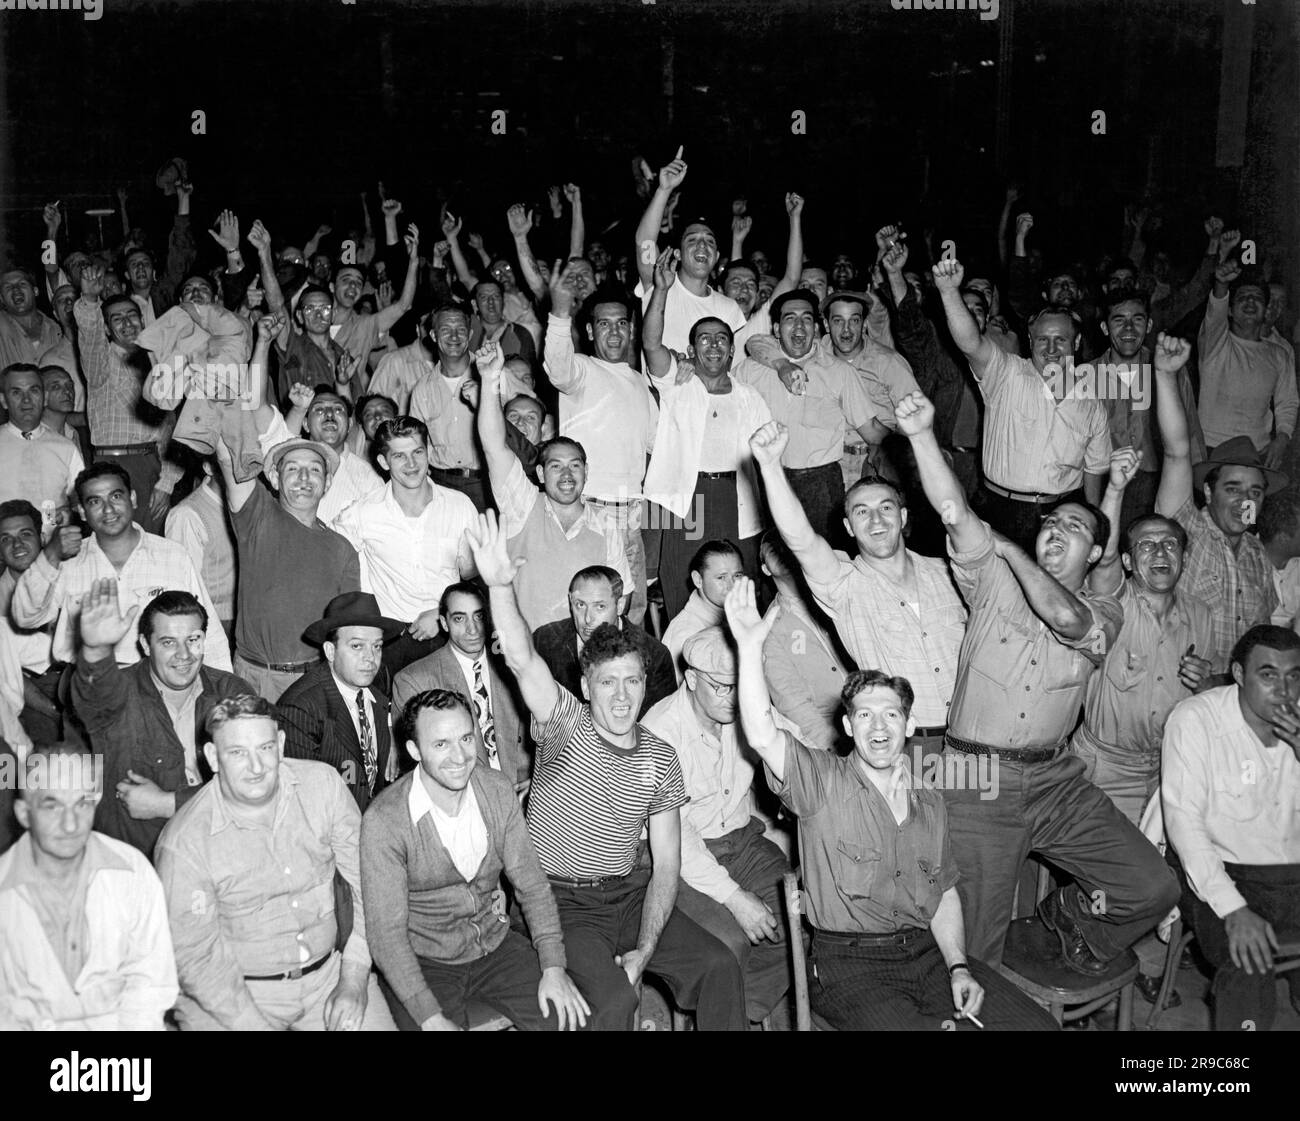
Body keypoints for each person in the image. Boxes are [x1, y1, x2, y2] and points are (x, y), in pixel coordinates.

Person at [898, 388, 1179, 969]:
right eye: (1049, 522)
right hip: (976, 778)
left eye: (1072, 527)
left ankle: (1067, 922)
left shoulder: (1106, 612)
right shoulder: (992, 581)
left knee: (1153, 887)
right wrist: (923, 434)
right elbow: (953, 511)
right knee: (975, 954)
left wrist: (1007, 544)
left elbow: (1067, 618)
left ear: (1098, 552)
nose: (1053, 529)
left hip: (1056, 780)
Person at [725, 577, 1058, 1030]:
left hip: (927, 956)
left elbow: (941, 895)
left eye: (890, 714)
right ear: (847, 725)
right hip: (850, 969)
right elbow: (762, 734)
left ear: (909, 724)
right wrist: (748, 649)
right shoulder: (821, 782)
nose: (878, 727)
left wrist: (959, 966)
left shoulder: (931, 801)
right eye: (864, 715)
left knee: (1039, 1028)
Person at [468, 509, 746, 1031]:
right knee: (614, 1005)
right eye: (607, 683)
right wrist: (499, 586)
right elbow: (524, 659)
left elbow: (666, 864)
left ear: (647, 682)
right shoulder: (563, 723)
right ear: (586, 683)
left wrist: (645, 949)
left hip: (628, 894)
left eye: (632, 682)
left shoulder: (660, 756)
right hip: (562, 901)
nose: (621, 696)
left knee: (718, 966)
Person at [155, 694, 396, 1031]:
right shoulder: (185, 842)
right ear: (212, 756)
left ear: (281, 744)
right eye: (238, 753)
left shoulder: (323, 786)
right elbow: (195, 958)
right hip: (234, 995)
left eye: (265, 748)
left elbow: (369, 886)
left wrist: (354, 978)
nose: (256, 767)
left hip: (329, 976)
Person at [361, 688, 589, 1030]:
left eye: (466, 738)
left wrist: (553, 966)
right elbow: (386, 936)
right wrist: (429, 1016)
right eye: (441, 744)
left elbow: (533, 886)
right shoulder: (385, 820)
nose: (460, 756)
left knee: (574, 1020)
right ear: (413, 750)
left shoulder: (495, 790)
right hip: (424, 960)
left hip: (496, 947)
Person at [755, 420, 965, 769]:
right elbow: (801, 540)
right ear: (849, 527)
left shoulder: (946, 573)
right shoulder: (844, 585)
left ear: (903, 516)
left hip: (973, 739)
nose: (875, 520)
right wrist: (770, 467)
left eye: (885, 507)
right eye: (861, 512)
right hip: (909, 749)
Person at [643, 626, 793, 1024]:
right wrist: (735, 897)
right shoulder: (659, 732)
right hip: (679, 858)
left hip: (742, 840)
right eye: (720, 686)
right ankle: (721, 1014)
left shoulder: (742, 705)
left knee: (801, 917)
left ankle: (735, 1017)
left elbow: (793, 749)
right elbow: (677, 840)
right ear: (691, 679)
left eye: (738, 685)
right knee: (728, 946)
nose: (732, 697)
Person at [212, 324, 362, 700]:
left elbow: (345, 630)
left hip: (313, 682)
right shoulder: (256, 513)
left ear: (327, 484)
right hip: (252, 676)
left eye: (315, 470)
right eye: (292, 469)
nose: (304, 478)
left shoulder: (343, 550)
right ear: (275, 479)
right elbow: (230, 450)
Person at [1163, 625, 1300, 1031]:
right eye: (1268, 674)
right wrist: (1234, 908)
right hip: (1222, 875)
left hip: (1291, 875)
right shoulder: (1196, 719)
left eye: (1294, 675)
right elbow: (1185, 825)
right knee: (1248, 962)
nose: (1284, 689)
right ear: (1238, 674)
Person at [1073, 447, 1214, 825]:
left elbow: (1214, 688)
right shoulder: (1114, 603)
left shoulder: (1201, 614)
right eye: (1146, 546)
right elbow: (1100, 559)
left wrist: (1207, 680)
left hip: (1169, 766)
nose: (1160, 552)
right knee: (1105, 875)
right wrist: (1116, 489)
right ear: (1128, 561)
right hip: (1105, 768)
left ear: (1183, 557)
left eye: (1170, 544)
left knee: (1160, 870)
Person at [935, 256, 1111, 551]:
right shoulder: (1006, 373)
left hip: (1060, 516)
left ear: (1076, 344)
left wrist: (1093, 527)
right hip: (1000, 512)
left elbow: (1094, 474)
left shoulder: (1092, 404)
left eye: (1061, 340)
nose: (1051, 349)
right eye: (1042, 340)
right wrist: (949, 292)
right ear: (1030, 342)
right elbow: (969, 342)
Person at [0, 742, 178, 1030]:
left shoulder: (133, 874)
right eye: (52, 804)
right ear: (23, 813)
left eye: (82, 803)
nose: (70, 824)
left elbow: (150, 987)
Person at [71, 583, 254, 856]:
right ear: (145, 645)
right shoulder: (118, 692)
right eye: (168, 642)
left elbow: (255, 784)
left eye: (193, 639)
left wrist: (168, 803)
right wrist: (96, 652)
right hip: (141, 856)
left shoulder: (232, 692)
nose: (184, 655)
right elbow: (93, 696)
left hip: (220, 848)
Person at [641, 248, 772, 618]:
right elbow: (651, 343)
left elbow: (767, 461)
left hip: (737, 496)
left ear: (732, 350)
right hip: (687, 498)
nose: (713, 345)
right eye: (704, 339)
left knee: (740, 592)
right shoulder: (677, 385)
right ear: (690, 350)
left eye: (721, 340)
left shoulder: (750, 397)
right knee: (682, 590)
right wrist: (662, 290)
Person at [12, 462, 230, 672]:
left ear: (133, 498)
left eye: (116, 496)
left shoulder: (173, 556)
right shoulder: (67, 561)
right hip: (89, 681)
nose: (108, 509)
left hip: (156, 681)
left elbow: (207, 633)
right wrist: (49, 556)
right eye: (95, 502)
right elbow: (27, 617)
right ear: (81, 510)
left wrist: (224, 692)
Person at [1152, 333, 1285, 673]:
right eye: (1233, 489)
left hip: (1231, 697)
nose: (1245, 500)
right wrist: (1166, 376)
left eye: (1255, 492)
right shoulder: (1184, 531)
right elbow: (1176, 450)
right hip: (1179, 691)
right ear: (1209, 493)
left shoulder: (1259, 557)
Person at [476, 340, 630, 629]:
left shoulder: (606, 524)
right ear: (542, 474)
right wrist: (489, 380)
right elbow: (494, 447)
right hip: (530, 652)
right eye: (556, 466)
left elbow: (622, 598)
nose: (567, 474)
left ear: (587, 472)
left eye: (575, 465)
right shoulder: (522, 504)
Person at [544, 266, 658, 625]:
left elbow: (660, 448)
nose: (614, 331)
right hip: (587, 508)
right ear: (590, 331)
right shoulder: (580, 369)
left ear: (631, 329)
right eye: (604, 324)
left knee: (631, 609)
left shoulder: (641, 384)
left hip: (631, 514)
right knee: (581, 610)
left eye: (621, 323)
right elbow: (558, 367)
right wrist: (561, 313)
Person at [734, 288, 890, 542]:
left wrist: (913, 435)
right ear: (775, 329)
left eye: (807, 318)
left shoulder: (840, 373)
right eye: (789, 318)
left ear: (816, 328)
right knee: (774, 560)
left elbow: (871, 429)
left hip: (821, 484)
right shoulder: (750, 371)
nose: (799, 326)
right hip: (766, 480)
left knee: (826, 561)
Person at [332, 415, 478, 677]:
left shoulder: (460, 506)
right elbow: (330, 561)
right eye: (399, 456)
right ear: (383, 461)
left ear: (429, 452)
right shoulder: (363, 512)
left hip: (447, 632)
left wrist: (441, 613)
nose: (411, 464)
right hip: (393, 640)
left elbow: (473, 578)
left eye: (417, 452)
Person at [392, 582, 531, 795]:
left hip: (524, 796)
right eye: (459, 618)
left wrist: (536, 781)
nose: (472, 629)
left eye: (479, 616)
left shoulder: (516, 668)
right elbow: (419, 770)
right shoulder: (413, 680)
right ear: (444, 624)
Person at [73, 263, 179, 534]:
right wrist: (88, 300)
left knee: (152, 545)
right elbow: (91, 340)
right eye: (116, 319)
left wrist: (166, 481)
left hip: (149, 465)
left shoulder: (160, 361)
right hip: (110, 464)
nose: (127, 323)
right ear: (107, 329)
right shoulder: (100, 361)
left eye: (132, 315)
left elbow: (171, 424)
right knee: (109, 544)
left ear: (142, 321)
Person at [277, 592, 407, 811]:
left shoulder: (378, 696)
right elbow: (303, 800)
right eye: (357, 646)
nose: (370, 658)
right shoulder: (300, 709)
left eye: (376, 646)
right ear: (330, 651)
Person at [1096, 290, 1205, 528]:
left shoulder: (1169, 369)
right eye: (1118, 320)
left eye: (1137, 319)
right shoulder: (1087, 376)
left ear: (1149, 325)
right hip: (1106, 484)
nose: (1128, 328)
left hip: (1157, 485)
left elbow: (1191, 430)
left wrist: (1197, 490)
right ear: (1105, 328)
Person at [632, 146, 746, 354]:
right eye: (692, 240)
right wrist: (663, 190)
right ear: (678, 253)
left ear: (717, 257)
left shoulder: (729, 308)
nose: (702, 245)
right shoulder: (659, 285)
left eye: (709, 242)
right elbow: (645, 242)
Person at [533, 566, 676, 721]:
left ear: (620, 605)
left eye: (600, 606)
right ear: (570, 601)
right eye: (580, 605)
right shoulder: (545, 641)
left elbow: (656, 726)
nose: (587, 619)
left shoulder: (655, 655)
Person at [758, 531, 852, 753]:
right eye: (772, 550)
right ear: (765, 568)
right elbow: (793, 703)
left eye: (786, 546)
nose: (781, 552)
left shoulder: (832, 592)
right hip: (835, 732)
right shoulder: (771, 628)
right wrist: (836, 746)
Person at [1197, 261, 1296, 465]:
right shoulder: (1214, 343)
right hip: (1210, 448)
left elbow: (1288, 402)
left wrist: (1283, 438)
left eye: (1257, 298)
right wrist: (1221, 285)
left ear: (1265, 309)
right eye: (1242, 297)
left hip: (1256, 452)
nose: (1250, 301)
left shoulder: (1280, 354)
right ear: (1230, 310)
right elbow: (1214, 314)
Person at [409, 306, 490, 511]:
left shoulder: (491, 374)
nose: (454, 336)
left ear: (470, 334)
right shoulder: (422, 388)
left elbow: (528, 408)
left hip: (487, 483)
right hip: (441, 484)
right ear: (434, 335)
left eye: (461, 330)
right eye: (446, 329)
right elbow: (414, 443)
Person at [0, 362, 84, 518]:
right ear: (4, 400)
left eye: (34, 390)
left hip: (53, 536)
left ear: (44, 398)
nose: (26, 400)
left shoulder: (65, 448)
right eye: (17, 392)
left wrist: (68, 516)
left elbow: (80, 500)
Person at [165, 460, 236, 642]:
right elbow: (182, 588)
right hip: (215, 622)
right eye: (228, 461)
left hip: (246, 617)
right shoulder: (187, 514)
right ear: (208, 467)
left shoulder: (244, 504)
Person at [296, 389, 383, 526]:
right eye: (319, 409)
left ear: (349, 424)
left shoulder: (369, 479)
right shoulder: (290, 468)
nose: (329, 414)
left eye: (338, 409)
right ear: (306, 424)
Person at [662, 540, 745, 682]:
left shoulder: (734, 615)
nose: (732, 586)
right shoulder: (687, 633)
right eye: (721, 578)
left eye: (737, 576)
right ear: (698, 580)